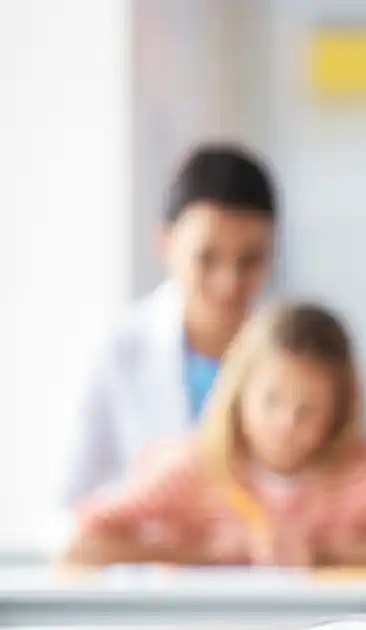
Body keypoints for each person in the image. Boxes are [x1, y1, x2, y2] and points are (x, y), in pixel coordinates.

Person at [63, 302, 366, 568]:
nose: (286, 423)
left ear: (338, 412)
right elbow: (81, 544)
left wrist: (321, 555)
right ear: (240, 394)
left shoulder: (365, 474)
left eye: (308, 410)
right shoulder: (195, 469)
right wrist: (208, 555)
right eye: (271, 401)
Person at [63, 142, 277, 505]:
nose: (229, 283)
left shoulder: (296, 351)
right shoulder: (121, 349)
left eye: (250, 260)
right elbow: (68, 510)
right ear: (165, 243)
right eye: (206, 258)